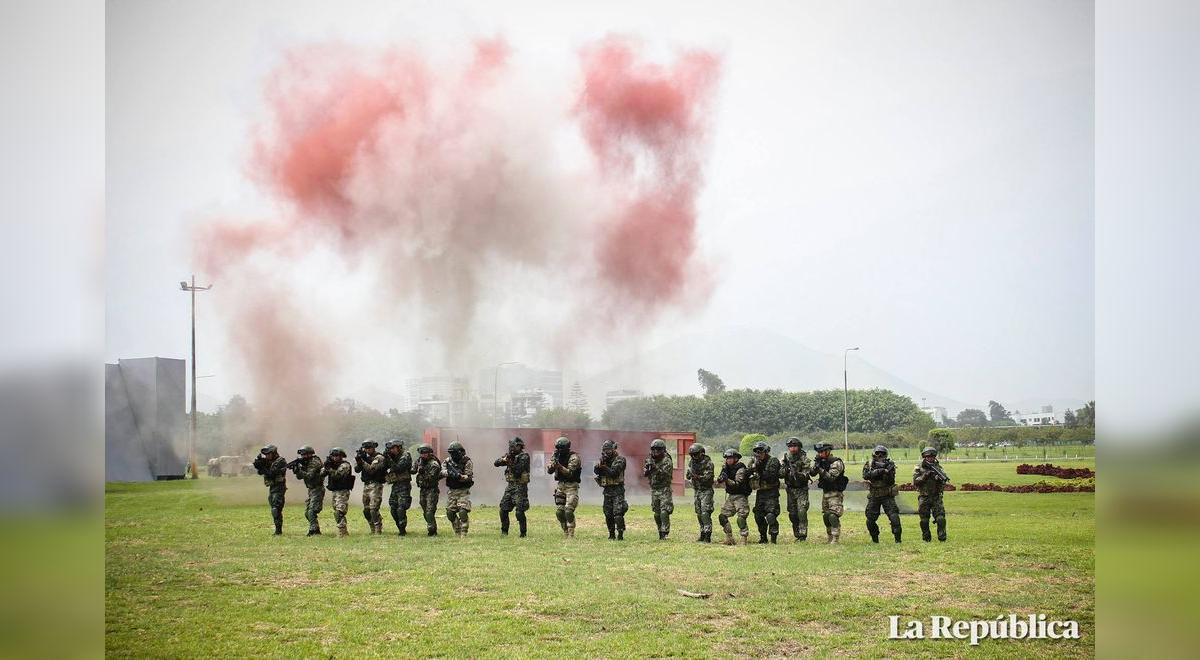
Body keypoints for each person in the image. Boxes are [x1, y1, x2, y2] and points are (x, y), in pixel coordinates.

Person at [809, 442, 848, 543]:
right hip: (825, 493)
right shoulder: (821, 461)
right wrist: (816, 465)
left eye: (822, 451)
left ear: (828, 451)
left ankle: (835, 538)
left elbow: (831, 478)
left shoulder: (836, 462)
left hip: (835, 494)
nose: (820, 453)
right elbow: (812, 473)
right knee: (826, 516)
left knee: (833, 515)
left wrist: (820, 469)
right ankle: (829, 537)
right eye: (819, 452)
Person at [862, 445, 902, 543]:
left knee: (894, 517)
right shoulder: (870, 464)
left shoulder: (889, 464)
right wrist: (879, 471)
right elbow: (866, 475)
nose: (880, 455)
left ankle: (898, 540)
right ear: (874, 454)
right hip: (874, 495)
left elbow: (890, 481)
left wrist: (886, 472)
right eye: (878, 453)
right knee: (870, 519)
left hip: (887, 495)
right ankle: (875, 540)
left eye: (882, 454)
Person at [495, 437, 531, 537]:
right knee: (503, 509)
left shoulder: (524, 457)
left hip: (520, 487)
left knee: (519, 511)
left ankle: (523, 533)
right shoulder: (510, 456)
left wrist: (510, 463)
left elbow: (517, 472)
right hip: (510, 486)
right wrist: (504, 459)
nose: (511, 448)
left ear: (519, 446)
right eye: (510, 446)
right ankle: (504, 532)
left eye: (513, 446)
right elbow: (496, 463)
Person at [546, 436, 581, 538]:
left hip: (571, 486)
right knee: (559, 512)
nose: (559, 450)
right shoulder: (555, 455)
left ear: (567, 447)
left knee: (569, 511)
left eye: (561, 448)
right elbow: (549, 471)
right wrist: (553, 466)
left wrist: (559, 466)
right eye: (558, 447)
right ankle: (565, 531)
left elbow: (570, 473)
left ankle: (571, 533)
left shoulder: (574, 457)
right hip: (561, 486)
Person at [913, 447, 950, 542]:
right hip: (924, 497)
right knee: (924, 520)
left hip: (936, 496)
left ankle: (942, 537)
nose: (930, 458)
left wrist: (938, 480)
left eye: (932, 457)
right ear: (924, 457)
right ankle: (926, 538)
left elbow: (943, 482)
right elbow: (916, 481)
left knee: (940, 518)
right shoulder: (919, 467)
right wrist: (925, 475)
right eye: (928, 457)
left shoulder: (938, 468)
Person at [748, 441, 782, 544]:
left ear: (766, 452)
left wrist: (759, 468)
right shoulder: (754, 461)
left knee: (771, 515)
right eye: (757, 452)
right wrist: (751, 471)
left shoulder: (773, 461)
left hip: (772, 491)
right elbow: (748, 473)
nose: (759, 454)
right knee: (758, 515)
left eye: (761, 452)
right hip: (761, 492)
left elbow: (771, 478)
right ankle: (763, 537)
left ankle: (773, 537)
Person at [593, 439, 628, 540]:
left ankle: (620, 534)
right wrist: (599, 466)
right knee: (608, 513)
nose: (606, 452)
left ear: (613, 449)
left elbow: (614, 473)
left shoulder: (620, 459)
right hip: (607, 490)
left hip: (618, 490)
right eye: (604, 450)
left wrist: (603, 467)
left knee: (618, 513)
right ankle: (611, 534)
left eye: (608, 450)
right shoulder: (603, 460)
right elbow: (596, 471)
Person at [716, 448, 751, 545]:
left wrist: (727, 480)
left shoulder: (741, 469)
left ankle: (744, 538)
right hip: (731, 496)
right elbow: (720, 480)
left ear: (736, 459)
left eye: (730, 458)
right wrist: (720, 479)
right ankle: (729, 538)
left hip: (740, 496)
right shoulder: (726, 467)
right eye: (727, 458)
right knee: (722, 517)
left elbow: (737, 484)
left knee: (741, 518)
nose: (728, 460)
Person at [779, 437, 811, 542]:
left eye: (795, 446)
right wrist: (786, 470)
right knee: (792, 514)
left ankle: (802, 535)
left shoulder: (804, 458)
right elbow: (780, 473)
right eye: (790, 447)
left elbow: (806, 474)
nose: (792, 449)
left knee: (802, 512)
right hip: (790, 489)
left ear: (799, 447)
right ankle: (797, 533)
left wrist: (797, 473)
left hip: (801, 489)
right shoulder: (785, 458)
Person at [251, 444, 288, 535]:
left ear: (274, 453)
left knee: (276, 509)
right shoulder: (269, 461)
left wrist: (261, 467)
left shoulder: (280, 461)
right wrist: (259, 465)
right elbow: (261, 472)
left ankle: (278, 530)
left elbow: (271, 474)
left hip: (279, 487)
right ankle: (278, 529)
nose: (267, 456)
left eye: (268, 454)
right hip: (272, 487)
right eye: (266, 454)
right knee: (274, 508)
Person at [290, 445, 326, 536]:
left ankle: (313, 531)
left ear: (310, 454)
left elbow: (310, 475)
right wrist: (297, 470)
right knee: (307, 513)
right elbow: (299, 477)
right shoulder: (306, 462)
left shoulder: (314, 462)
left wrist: (300, 470)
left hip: (317, 488)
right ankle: (316, 529)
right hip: (311, 489)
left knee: (311, 511)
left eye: (305, 454)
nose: (303, 457)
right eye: (302, 455)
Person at [644, 438, 675, 540]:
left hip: (664, 488)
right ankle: (660, 530)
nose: (655, 452)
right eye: (654, 449)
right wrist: (648, 469)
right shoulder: (650, 459)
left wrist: (655, 468)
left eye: (658, 449)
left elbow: (666, 475)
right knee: (657, 513)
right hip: (654, 489)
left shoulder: (667, 460)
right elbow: (645, 473)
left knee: (664, 511)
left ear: (663, 450)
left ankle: (665, 532)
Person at [355, 440, 387, 534]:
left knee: (373, 508)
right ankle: (372, 526)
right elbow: (357, 470)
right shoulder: (365, 457)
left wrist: (362, 461)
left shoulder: (379, 457)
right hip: (366, 485)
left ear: (374, 447)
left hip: (376, 485)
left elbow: (371, 470)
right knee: (366, 510)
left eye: (369, 448)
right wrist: (359, 460)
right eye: (366, 448)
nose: (367, 450)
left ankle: (378, 528)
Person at [443, 441, 474, 537]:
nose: (452, 455)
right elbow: (442, 471)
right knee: (450, 513)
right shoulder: (448, 461)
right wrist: (450, 473)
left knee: (462, 511)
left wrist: (461, 476)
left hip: (463, 491)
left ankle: (464, 530)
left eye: (454, 452)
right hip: (452, 491)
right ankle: (457, 528)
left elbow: (468, 475)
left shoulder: (467, 461)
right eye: (451, 452)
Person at [383, 439, 413, 536]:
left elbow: (398, 468)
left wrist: (389, 458)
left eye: (393, 448)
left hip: (404, 484)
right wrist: (386, 458)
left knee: (401, 508)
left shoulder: (405, 455)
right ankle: (399, 526)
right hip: (396, 484)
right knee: (393, 507)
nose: (391, 450)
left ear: (399, 447)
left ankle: (402, 530)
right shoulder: (394, 456)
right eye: (390, 449)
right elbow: (385, 467)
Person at [685, 444, 715, 543]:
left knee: (705, 513)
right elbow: (688, 475)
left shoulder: (708, 463)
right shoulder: (692, 462)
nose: (694, 457)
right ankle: (702, 533)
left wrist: (696, 476)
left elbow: (707, 478)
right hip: (697, 490)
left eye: (696, 454)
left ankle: (707, 535)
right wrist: (689, 475)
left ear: (702, 453)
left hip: (706, 490)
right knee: (698, 513)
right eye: (692, 455)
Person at [411, 444, 443, 536]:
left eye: (425, 453)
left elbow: (431, 478)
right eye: (421, 453)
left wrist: (422, 471)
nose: (423, 455)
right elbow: (413, 470)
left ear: (429, 453)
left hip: (432, 490)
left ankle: (432, 531)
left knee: (429, 511)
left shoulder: (434, 464)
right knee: (425, 511)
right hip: (423, 490)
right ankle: (432, 525)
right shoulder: (420, 461)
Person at [324, 447, 355, 537]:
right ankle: (344, 532)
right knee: (336, 511)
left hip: (342, 491)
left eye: (337, 455)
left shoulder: (345, 465)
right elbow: (322, 473)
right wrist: (326, 466)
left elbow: (337, 475)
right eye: (333, 456)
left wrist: (329, 468)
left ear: (341, 456)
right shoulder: (331, 465)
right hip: (335, 491)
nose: (335, 457)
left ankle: (342, 532)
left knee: (339, 511)